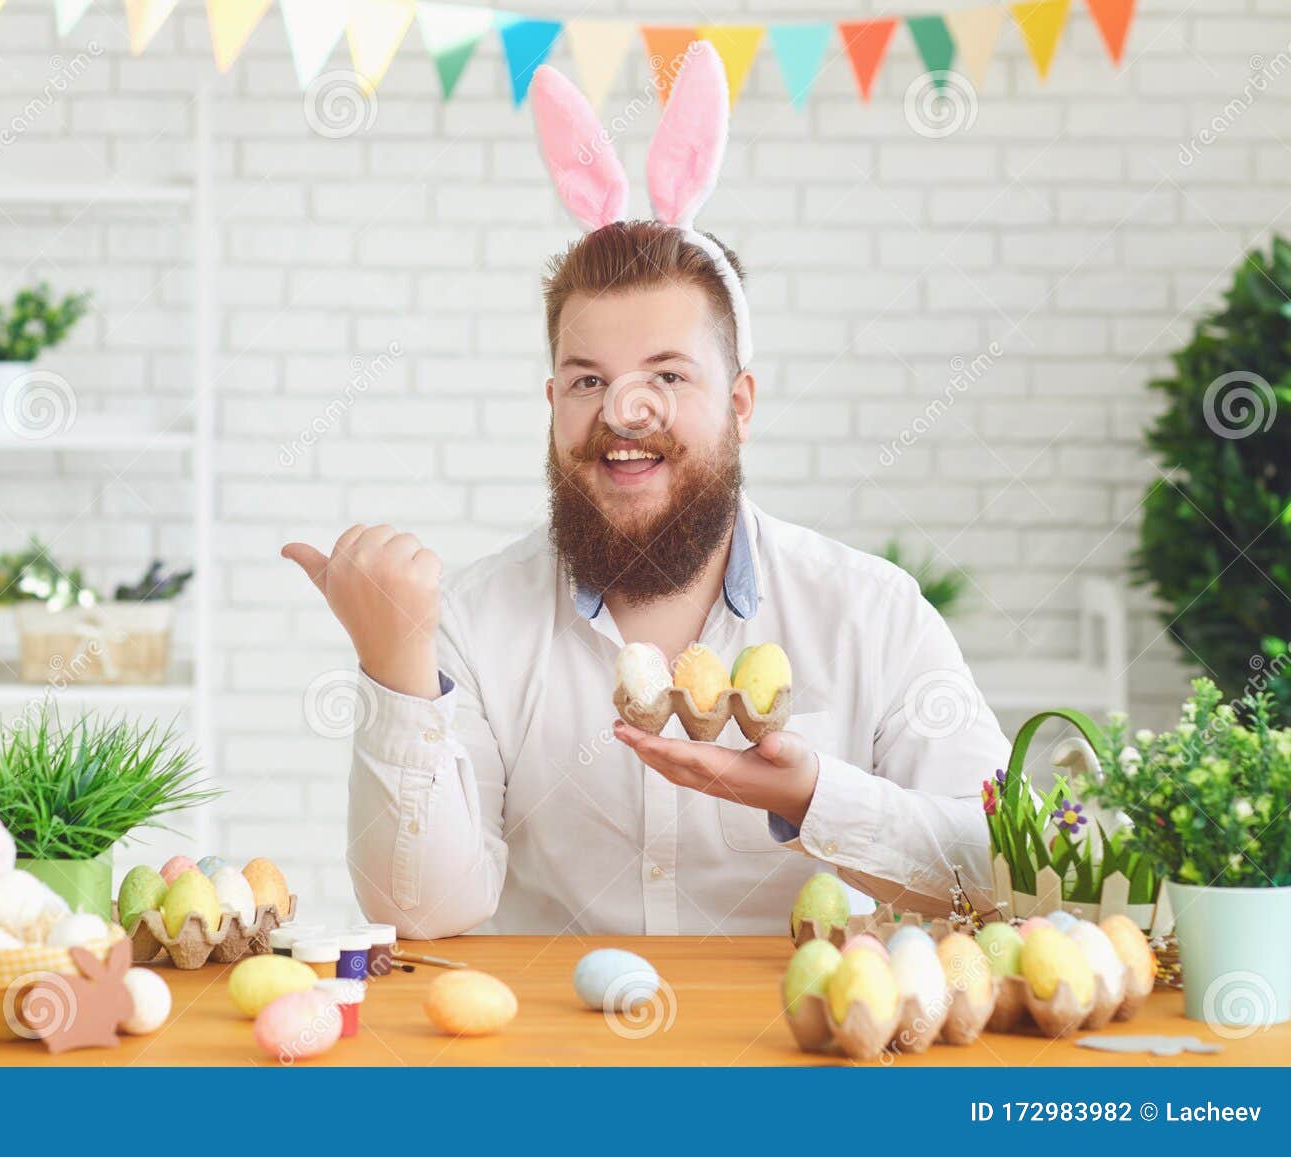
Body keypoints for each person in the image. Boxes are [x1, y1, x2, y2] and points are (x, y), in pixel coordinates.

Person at [281, 44, 1009, 938]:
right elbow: (422, 910)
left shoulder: (872, 614)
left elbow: (1003, 865)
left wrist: (815, 795)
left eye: (667, 376)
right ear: (553, 405)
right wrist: (395, 666)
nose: (624, 413)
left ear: (740, 404)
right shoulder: (475, 624)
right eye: (588, 381)